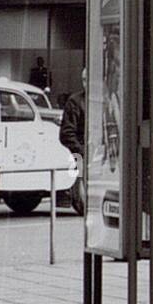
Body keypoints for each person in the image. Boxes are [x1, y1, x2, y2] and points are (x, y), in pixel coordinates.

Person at [59, 68, 86, 215]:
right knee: (80, 181)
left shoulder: (102, 100)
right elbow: (66, 133)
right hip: (81, 152)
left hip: (86, 151)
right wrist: (80, 151)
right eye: (85, 80)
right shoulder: (75, 101)